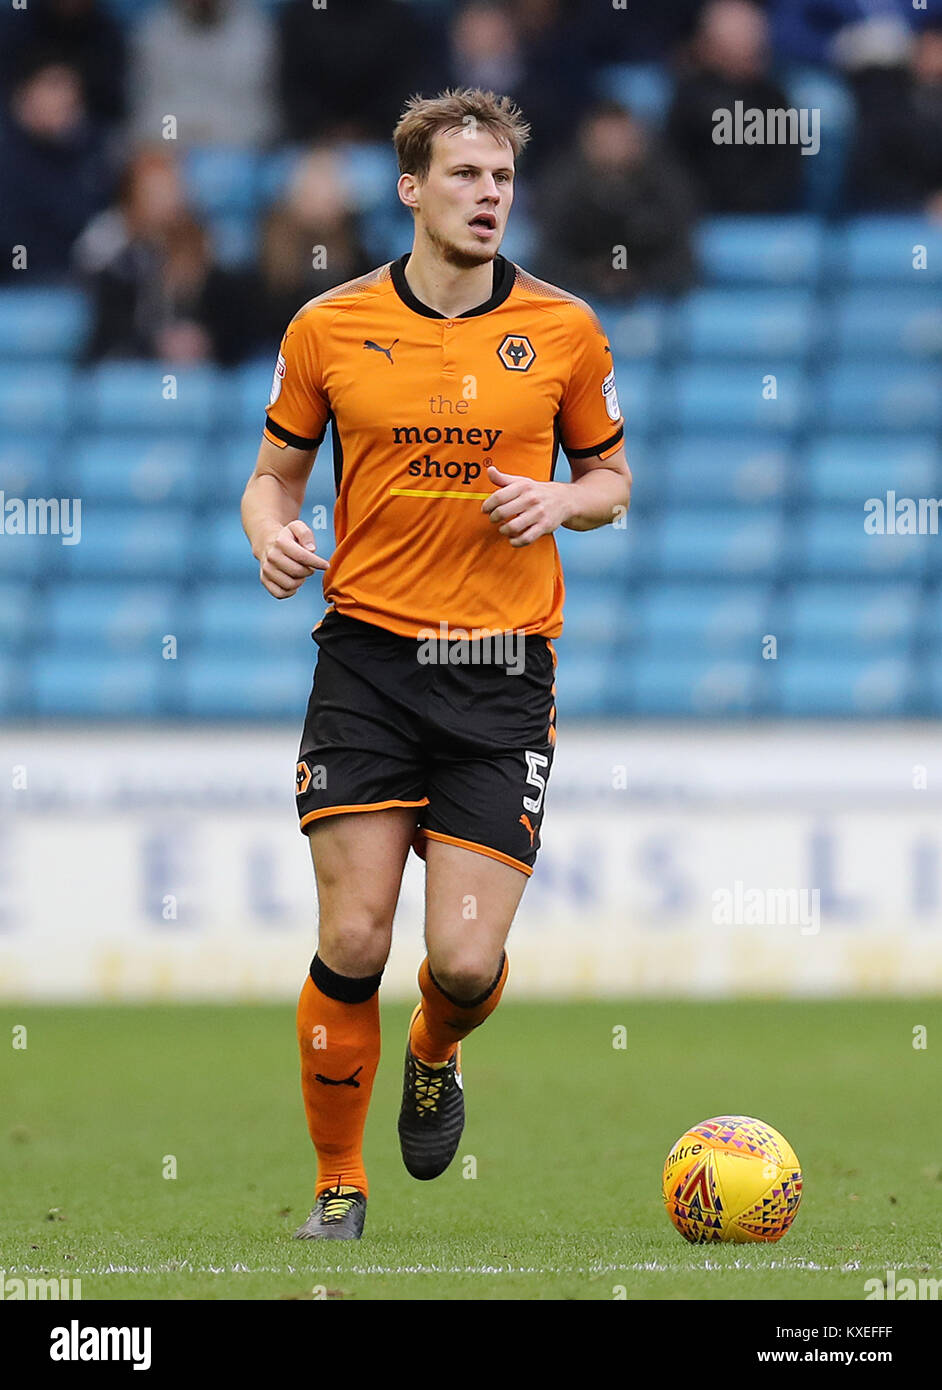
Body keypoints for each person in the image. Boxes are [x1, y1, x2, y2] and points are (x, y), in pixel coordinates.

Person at [240, 87, 631, 1240]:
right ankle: (338, 1186)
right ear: (411, 190)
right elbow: (272, 476)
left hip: (502, 673)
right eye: (465, 177)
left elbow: (613, 483)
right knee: (354, 934)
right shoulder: (328, 327)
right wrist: (272, 532)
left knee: (461, 961)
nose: (488, 196)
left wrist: (562, 497)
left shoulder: (564, 329)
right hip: (367, 660)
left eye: (503, 178)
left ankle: (432, 1051)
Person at [536, 101, 696, 301]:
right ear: (587, 142)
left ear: (638, 141)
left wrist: (637, 278)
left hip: (651, 298)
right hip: (576, 296)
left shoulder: (668, 185)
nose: (613, 149)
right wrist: (591, 276)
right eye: (604, 141)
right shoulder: (561, 186)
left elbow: (681, 257)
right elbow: (549, 255)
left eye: (620, 139)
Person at [667, 0, 803, 213]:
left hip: (765, 215)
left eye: (752, 38)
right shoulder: (689, 99)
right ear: (710, 45)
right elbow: (676, 163)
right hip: (702, 213)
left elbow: (786, 167)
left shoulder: (774, 98)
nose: (748, 46)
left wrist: (757, 202)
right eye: (737, 39)